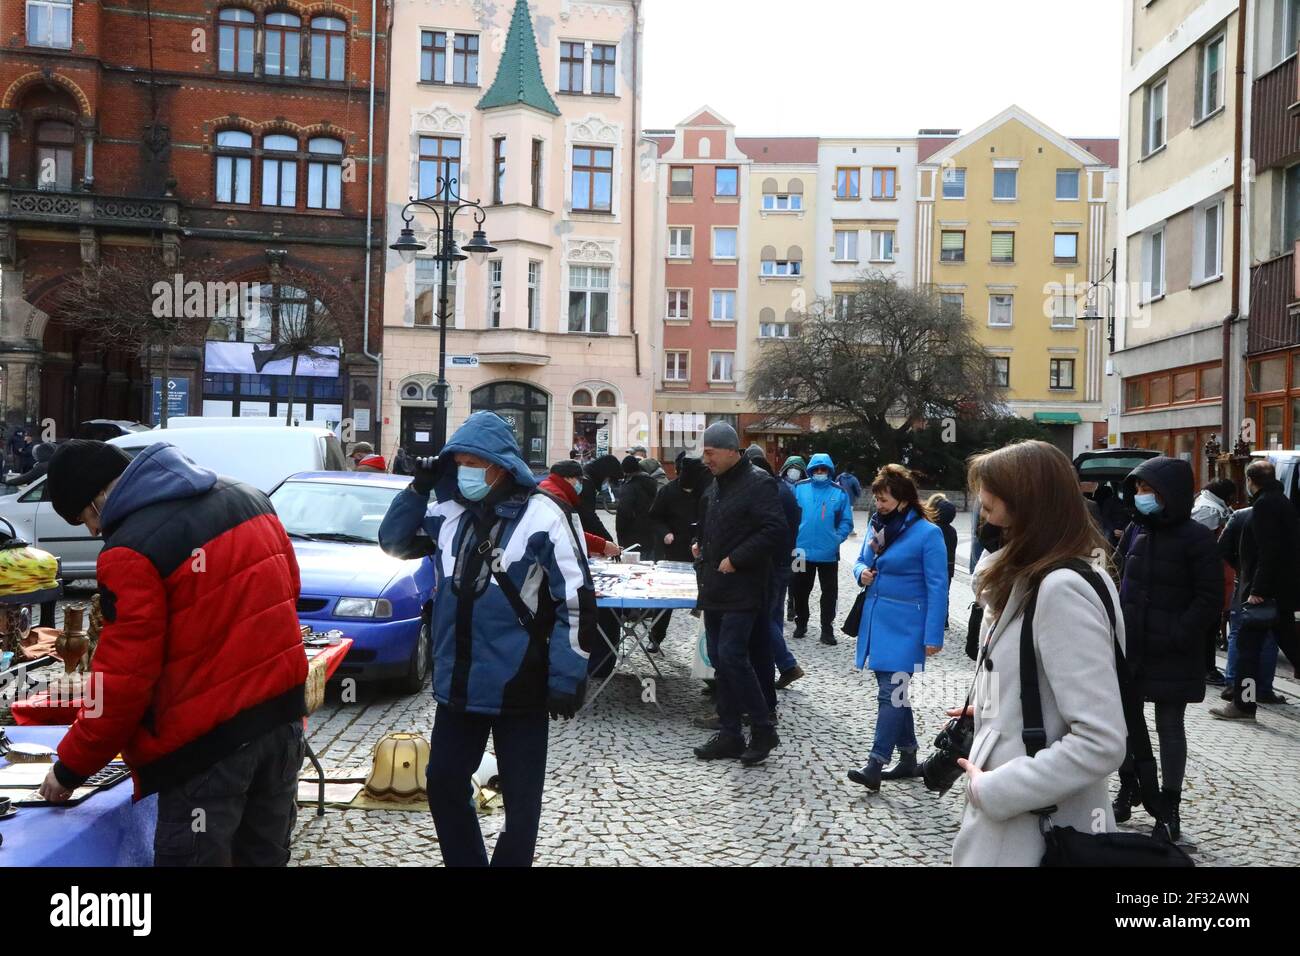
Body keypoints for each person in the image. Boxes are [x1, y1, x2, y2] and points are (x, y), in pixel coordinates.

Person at [38, 440, 308, 866]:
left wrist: (70, 767)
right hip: (281, 726)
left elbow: (122, 682)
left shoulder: (130, 549)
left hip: (207, 752)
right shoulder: (249, 497)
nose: (93, 531)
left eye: (85, 517)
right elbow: (287, 593)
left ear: (98, 496)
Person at [379, 412, 595, 867]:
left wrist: (567, 674)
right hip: (459, 683)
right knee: (441, 783)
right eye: (458, 461)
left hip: (522, 682)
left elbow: (575, 601)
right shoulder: (447, 513)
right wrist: (418, 488)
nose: (465, 469)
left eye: (474, 460)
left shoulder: (544, 515)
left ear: (500, 465)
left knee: (520, 802)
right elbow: (394, 541)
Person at [950, 440, 1129, 866]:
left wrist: (995, 790)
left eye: (991, 492)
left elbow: (1101, 741)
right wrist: (993, 710)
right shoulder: (1041, 573)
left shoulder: (1061, 587)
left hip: (1032, 828)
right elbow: (1037, 678)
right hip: (1021, 820)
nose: (982, 502)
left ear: (1027, 500)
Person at [1111, 456, 1222, 842]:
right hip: (1133, 648)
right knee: (1125, 724)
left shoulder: (1197, 537)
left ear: (1169, 493)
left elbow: (1210, 599)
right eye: (1138, 489)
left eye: (1148, 489)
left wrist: (1177, 634)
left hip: (1174, 651)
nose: (1141, 496)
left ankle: (1169, 807)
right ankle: (1130, 785)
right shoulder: (1135, 532)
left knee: (1170, 727)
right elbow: (1119, 578)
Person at [846, 465, 948, 791]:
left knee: (891, 694)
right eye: (876, 499)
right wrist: (860, 572)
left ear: (903, 500)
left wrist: (933, 636)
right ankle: (908, 757)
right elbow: (860, 560)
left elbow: (938, 586)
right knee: (895, 694)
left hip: (908, 627)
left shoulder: (928, 534)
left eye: (884, 499)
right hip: (877, 620)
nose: (879, 505)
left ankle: (876, 763)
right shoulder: (877, 526)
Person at [691, 422, 786, 766]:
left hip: (744, 587)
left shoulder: (759, 483)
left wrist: (736, 558)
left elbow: (774, 529)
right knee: (719, 658)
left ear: (732, 451)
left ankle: (763, 728)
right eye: (705, 452)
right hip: (715, 586)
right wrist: (701, 550)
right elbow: (711, 525)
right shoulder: (716, 485)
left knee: (732, 655)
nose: (706, 459)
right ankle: (730, 732)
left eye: (711, 453)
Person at [1211, 458, 1300, 721]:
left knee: (1248, 651)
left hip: (1264, 594)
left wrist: (1257, 589)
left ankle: (1243, 704)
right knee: (1291, 647)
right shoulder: (1282, 503)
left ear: (1250, 481)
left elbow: (1268, 552)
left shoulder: (1263, 506)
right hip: (1280, 593)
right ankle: (1243, 703)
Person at [1216, 506, 1286, 704]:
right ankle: (1262, 688)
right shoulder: (1283, 513)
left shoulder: (1241, 515)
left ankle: (1233, 684)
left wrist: (1239, 567)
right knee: (1269, 635)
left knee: (1239, 633)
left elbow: (1222, 548)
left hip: (1246, 582)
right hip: (1273, 584)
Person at [747, 447, 803, 690]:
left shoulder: (771, 492)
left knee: (764, 618)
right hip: (785, 560)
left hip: (772, 563)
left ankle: (787, 665)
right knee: (775, 616)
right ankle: (770, 665)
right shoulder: (786, 490)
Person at [646, 453, 711, 653]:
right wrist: (664, 533)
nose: (689, 490)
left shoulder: (707, 491)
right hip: (671, 551)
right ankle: (655, 636)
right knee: (665, 598)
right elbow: (654, 518)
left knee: (708, 597)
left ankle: (708, 647)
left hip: (699, 551)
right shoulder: (667, 491)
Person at [791, 453, 854, 646]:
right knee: (798, 590)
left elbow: (846, 521)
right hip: (800, 550)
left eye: (823, 469)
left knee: (829, 593)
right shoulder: (799, 488)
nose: (820, 472)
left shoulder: (839, 492)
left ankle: (827, 629)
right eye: (816, 469)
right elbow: (789, 514)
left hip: (828, 553)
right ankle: (800, 623)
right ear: (810, 470)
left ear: (829, 471)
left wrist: (837, 538)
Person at [1190, 478, 1236, 686]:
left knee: (1210, 623)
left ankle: (1206, 666)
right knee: (1208, 623)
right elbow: (1202, 545)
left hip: (1212, 572)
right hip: (1209, 572)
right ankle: (1206, 668)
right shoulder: (1209, 510)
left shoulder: (1211, 506)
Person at [539, 460, 622, 559]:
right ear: (568, 478)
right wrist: (604, 545)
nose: (580, 484)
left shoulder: (546, 487)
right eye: (579, 480)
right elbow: (570, 533)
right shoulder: (558, 496)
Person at [615, 455, 664, 559]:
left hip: (632, 538)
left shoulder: (629, 487)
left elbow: (623, 513)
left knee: (634, 570)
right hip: (650, 535)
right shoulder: (651, 482)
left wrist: (620, 535)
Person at [928, 493, 959, 628]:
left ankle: (933, 618)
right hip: (948, 567)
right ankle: (944, 620)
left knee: (931, 592)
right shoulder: (952, 531)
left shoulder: (932, 529)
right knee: (944, 593)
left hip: (934, 566)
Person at [837, 465, 863, 536]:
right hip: (850, 500)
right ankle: (850, 530)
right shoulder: (854, 479)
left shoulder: (839, 477)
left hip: (839, 500)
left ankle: (838, 528)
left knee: (839, 515)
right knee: (849, 516)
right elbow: (858, 489)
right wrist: (858, 495)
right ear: (852, 471)